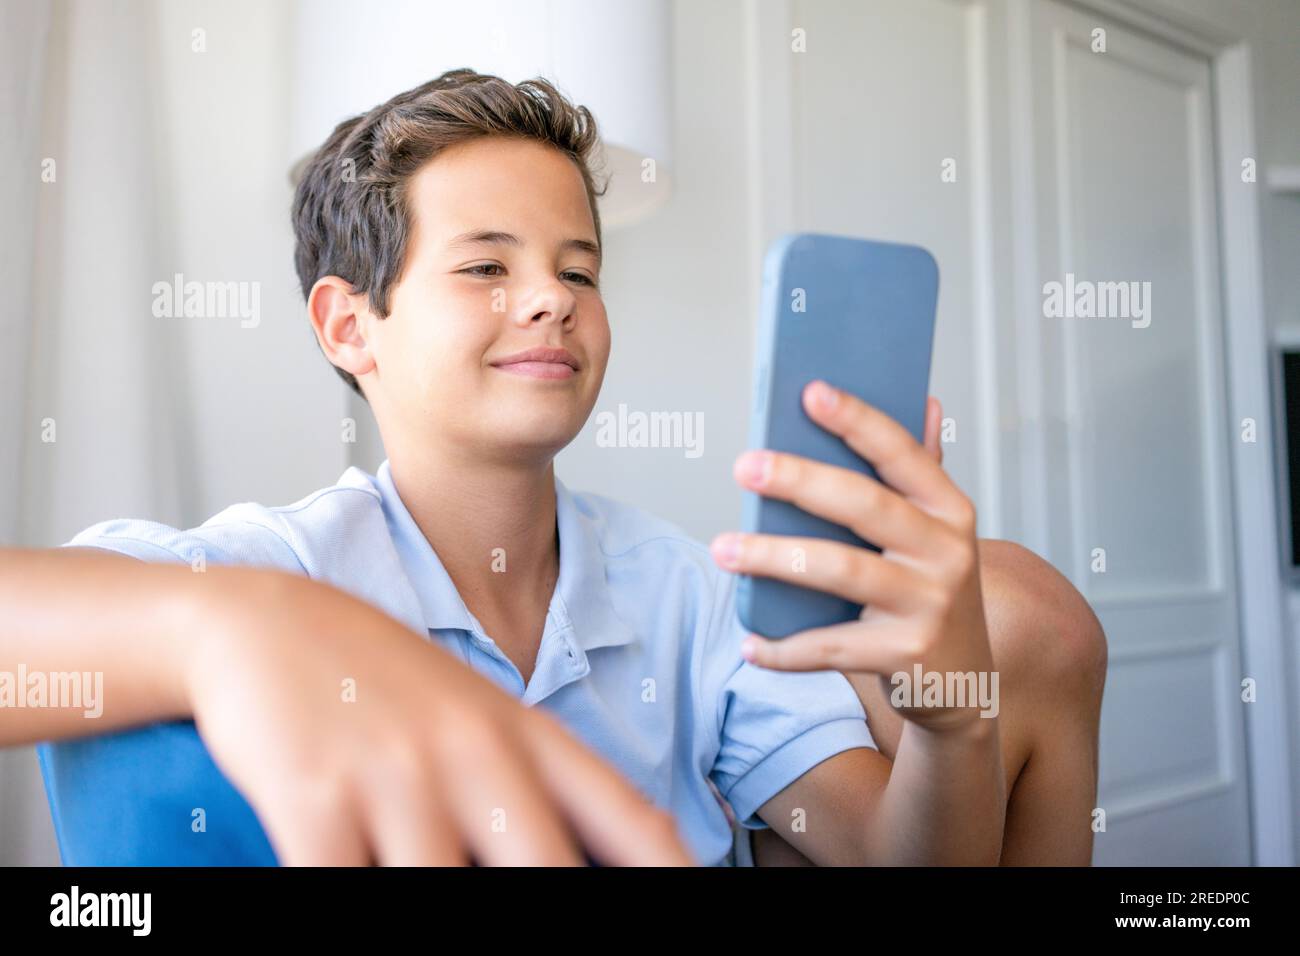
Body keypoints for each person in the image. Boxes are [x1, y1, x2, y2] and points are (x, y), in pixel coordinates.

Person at [3, 69, 1106, 866]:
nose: (552, 298)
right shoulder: (284, 563)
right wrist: (237, 626)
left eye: (579, 268)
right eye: (486, 264)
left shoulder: (687, 592)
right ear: (349, 326)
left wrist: (948, 720)